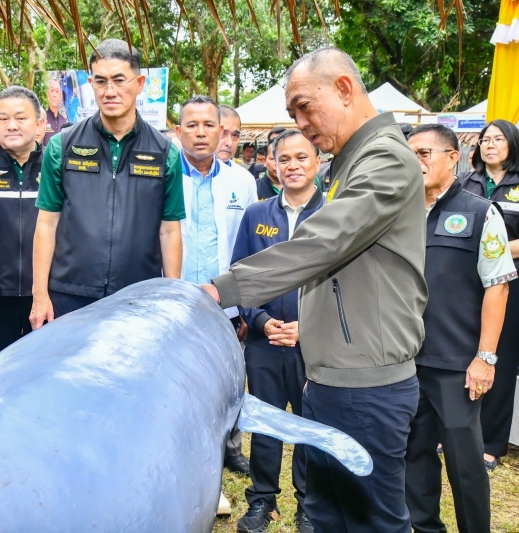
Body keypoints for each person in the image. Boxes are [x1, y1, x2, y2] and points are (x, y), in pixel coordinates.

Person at [203, 46, 427, 532]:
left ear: (344, 88)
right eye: (292, 113)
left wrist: (223, 289)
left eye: (305, 106)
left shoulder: (384, 158)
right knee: (326, 514)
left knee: (372, 521)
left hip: (366, 385)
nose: (300, 122)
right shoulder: (348, 163)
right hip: (331, 377)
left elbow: (323, 242)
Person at [405, 124, 515, 533]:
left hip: (455, 364)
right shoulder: (399, 211)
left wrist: (485, 358)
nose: (415, 161)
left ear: (452, 157)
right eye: (409, 153)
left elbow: (497, 289)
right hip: (405, 361)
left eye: (424, 153)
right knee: (412, 455)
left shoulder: (480, 212)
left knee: (464, 463)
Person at [31, 39, 184, 325]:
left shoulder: (165, 152)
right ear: (90, 83)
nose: (110, 91)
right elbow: (47, 223)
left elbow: (169, 231)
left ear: (139, 83)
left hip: (139, 297)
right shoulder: (62, 146)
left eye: (119, 80)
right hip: (70, 294)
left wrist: (170, 298)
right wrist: (40, 295)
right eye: (100, 81)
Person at [231, 129, 322, 533]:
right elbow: (241, 277)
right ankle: (262, 501)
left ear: (317, 162)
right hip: (264, 343)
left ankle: (311, 505)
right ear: (272, 163)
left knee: (309, 427)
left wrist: (309, 328)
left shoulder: (336, 215)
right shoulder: (256, 214)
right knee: (265, 425)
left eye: (302, 157)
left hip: (315, 347)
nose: (293, 166)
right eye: (284, 159)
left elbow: (346, 287)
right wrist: (263, 321)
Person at [177, 95, 257, 479]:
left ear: (222, 132)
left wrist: (245, 303)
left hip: (226, 303)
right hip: (174, 301)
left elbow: (252, 245)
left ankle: (231, 447)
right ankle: (183, 450)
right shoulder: (163, 176)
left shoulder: (242, 182)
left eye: (210, 126)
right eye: (192, 125)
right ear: (179, 131)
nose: (202, 133)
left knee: (229, 377)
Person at [459, 119, 519, 471]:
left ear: (512, 145)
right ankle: (448, 432)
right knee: (460, 349)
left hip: (509, 281)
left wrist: (491, 250)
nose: (489, 145)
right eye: (484, 140)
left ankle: (490, 442)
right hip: (464, 281)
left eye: (497, 139)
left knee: (500, 356)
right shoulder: (463, 182)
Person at [0, 86, 44, 365]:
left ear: (39, 123)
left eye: (20, 118)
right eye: (3, 119)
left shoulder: (58, 166)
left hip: (44, 296)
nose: (11, 126)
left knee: (41, 374)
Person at [216, 105, 256, 187]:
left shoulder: (246, 180)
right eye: (223, 133)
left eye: (235, 135)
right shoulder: (184, 175)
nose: (229, 143)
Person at [43, 78, 70, 147]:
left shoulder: (64, 121)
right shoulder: (42, 119)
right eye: (52, 91)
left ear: (61, 96)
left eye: (57, 91)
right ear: (48, 94)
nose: (54, 95)